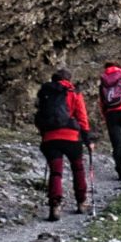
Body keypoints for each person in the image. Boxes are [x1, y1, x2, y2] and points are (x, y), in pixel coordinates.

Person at [35, 67, 91, 220]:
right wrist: (87, 139)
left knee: (56, 172)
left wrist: (44, 133)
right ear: (69, 79)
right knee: (78, 168)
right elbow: (82, 117)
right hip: (71, 137)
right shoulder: (73, 92)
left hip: (50, 138)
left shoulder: (46, 93)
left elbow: (40, 116)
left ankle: (55, 206)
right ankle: (81, 202)